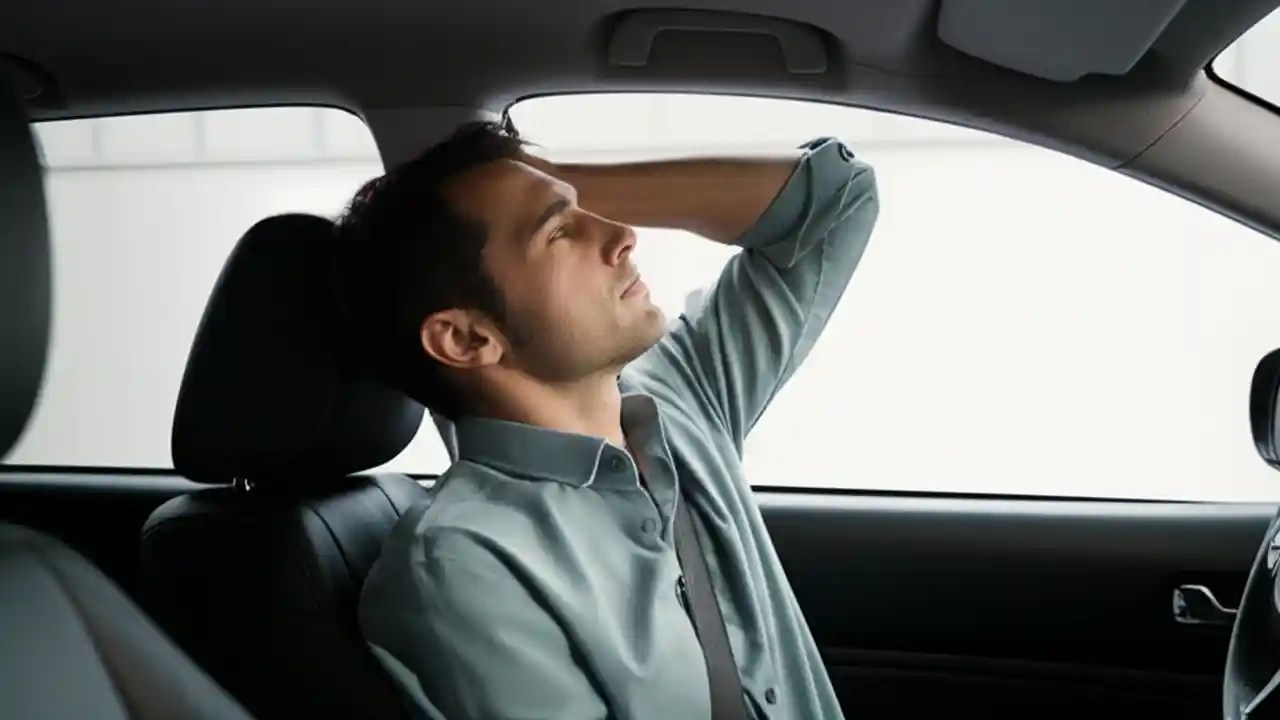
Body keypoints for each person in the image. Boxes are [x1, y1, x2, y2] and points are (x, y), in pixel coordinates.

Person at [339, 120, 879, 720]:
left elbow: (835, 198)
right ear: (467, 338)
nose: (623, 234)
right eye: (561, 232)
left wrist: (544, 185)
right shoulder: (462, 567)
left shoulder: (683, 394)